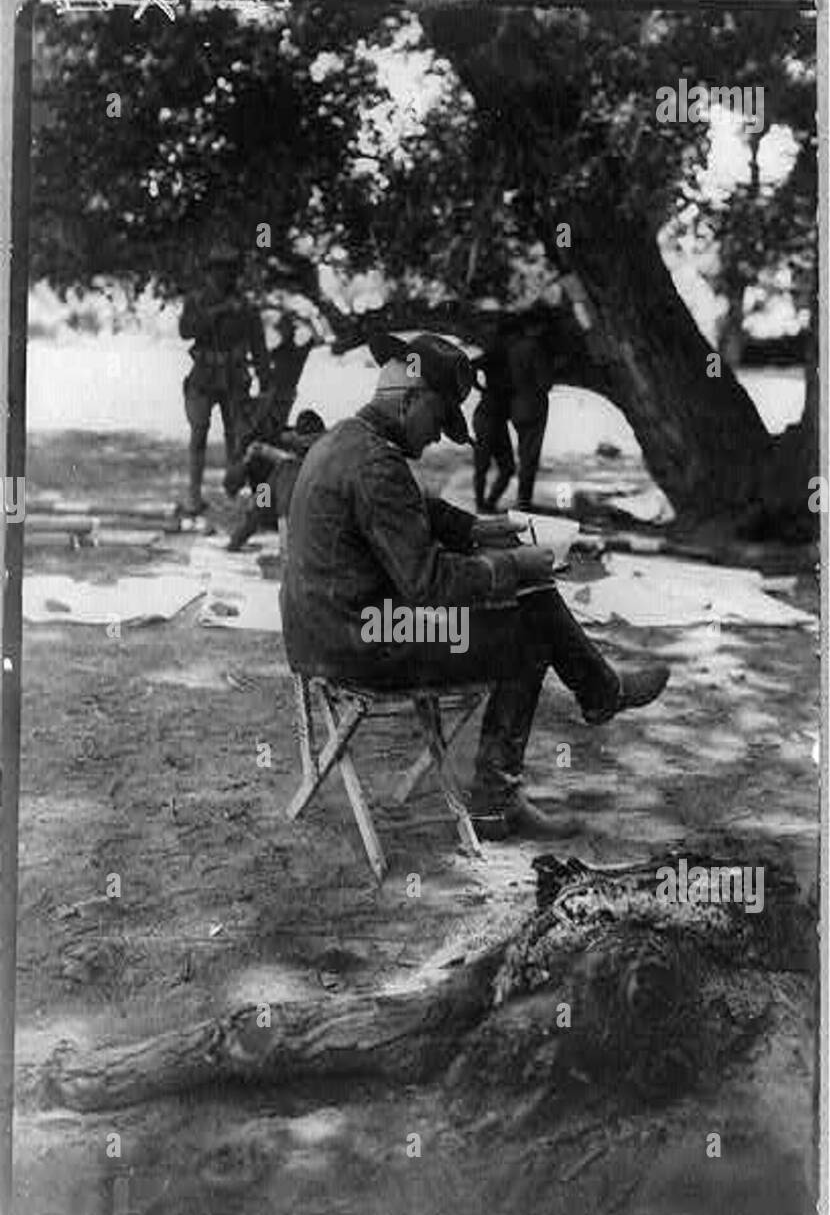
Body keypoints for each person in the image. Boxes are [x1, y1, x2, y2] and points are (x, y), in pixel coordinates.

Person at [281, 332, 669, 841]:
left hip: (324, 632)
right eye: (439, 419)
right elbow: (429, 584)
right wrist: (512, 564)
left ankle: (599, 693)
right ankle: (498, 798)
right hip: (363, 643)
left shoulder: (346, 440)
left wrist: (479, 531)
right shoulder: (378, 464)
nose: (438, 436)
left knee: (529, 601)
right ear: (411, 400)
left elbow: (412, 508)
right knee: (528, 627)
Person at [179, 243, 269, 518]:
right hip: (203, 377)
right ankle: (193, 497)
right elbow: (186, 330)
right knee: (198, 435)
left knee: (236, 440)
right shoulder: (197, 301)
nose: (223, 277)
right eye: (217, 271)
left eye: (229, 271)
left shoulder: (245, 306)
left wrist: (266, 382)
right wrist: (216, 312)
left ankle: (232, 497)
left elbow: (258, 345)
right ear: (209, 273)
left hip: (234, 378)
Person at [472, 308, 560, 513]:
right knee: (528, 458)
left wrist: (480, 388)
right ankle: (520, 503)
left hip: (510, 411)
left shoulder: (507, 351)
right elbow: (544, 382)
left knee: (508, 461)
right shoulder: (529, 347)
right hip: (526, 409)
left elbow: (474, 367)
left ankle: (486, 504)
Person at [224, 409, 326, 552]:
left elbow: (257, 511)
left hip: (293, 538)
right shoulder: (325, 468)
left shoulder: (283, 468)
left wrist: (235, 541)